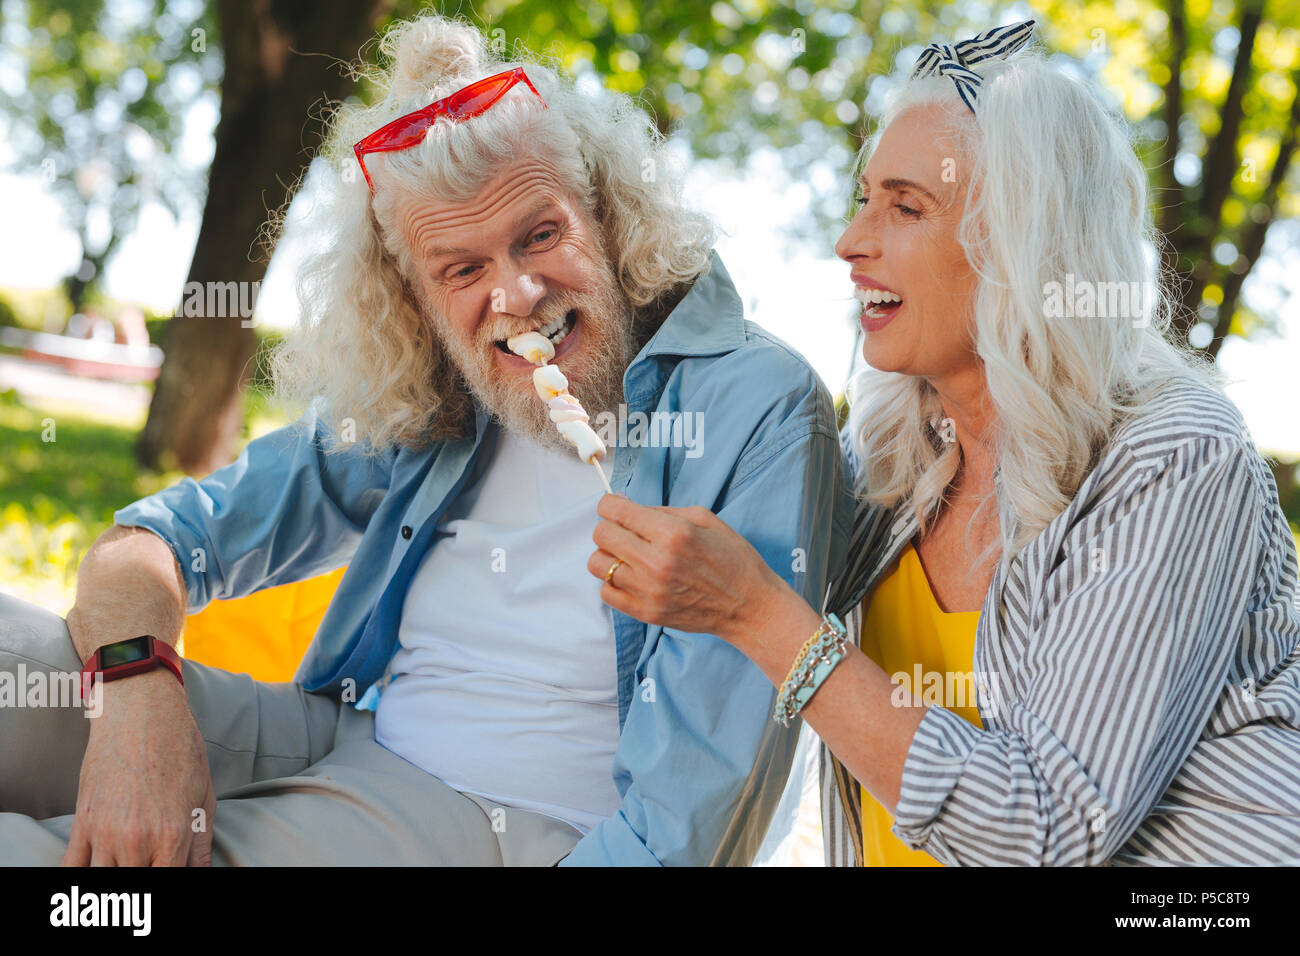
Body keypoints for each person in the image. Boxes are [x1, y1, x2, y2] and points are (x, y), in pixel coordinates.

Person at [0, 14, 852, 866]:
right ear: (416, 301)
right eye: (464, 269)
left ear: (609, 213)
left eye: (541, 234)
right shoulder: (440, 390)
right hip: (345, 740)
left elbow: (689, 830)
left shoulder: (757, 409)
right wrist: (137, 689)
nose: (516, 294)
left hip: (507, 822)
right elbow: (150, 541)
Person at [586, 20, 1300, 866]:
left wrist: (761, 617)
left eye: (906, 206)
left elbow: (1051, 829)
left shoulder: (1174, 457)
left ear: (1025, 243)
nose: (852, 242)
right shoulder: (884, 467)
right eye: (863, 199)